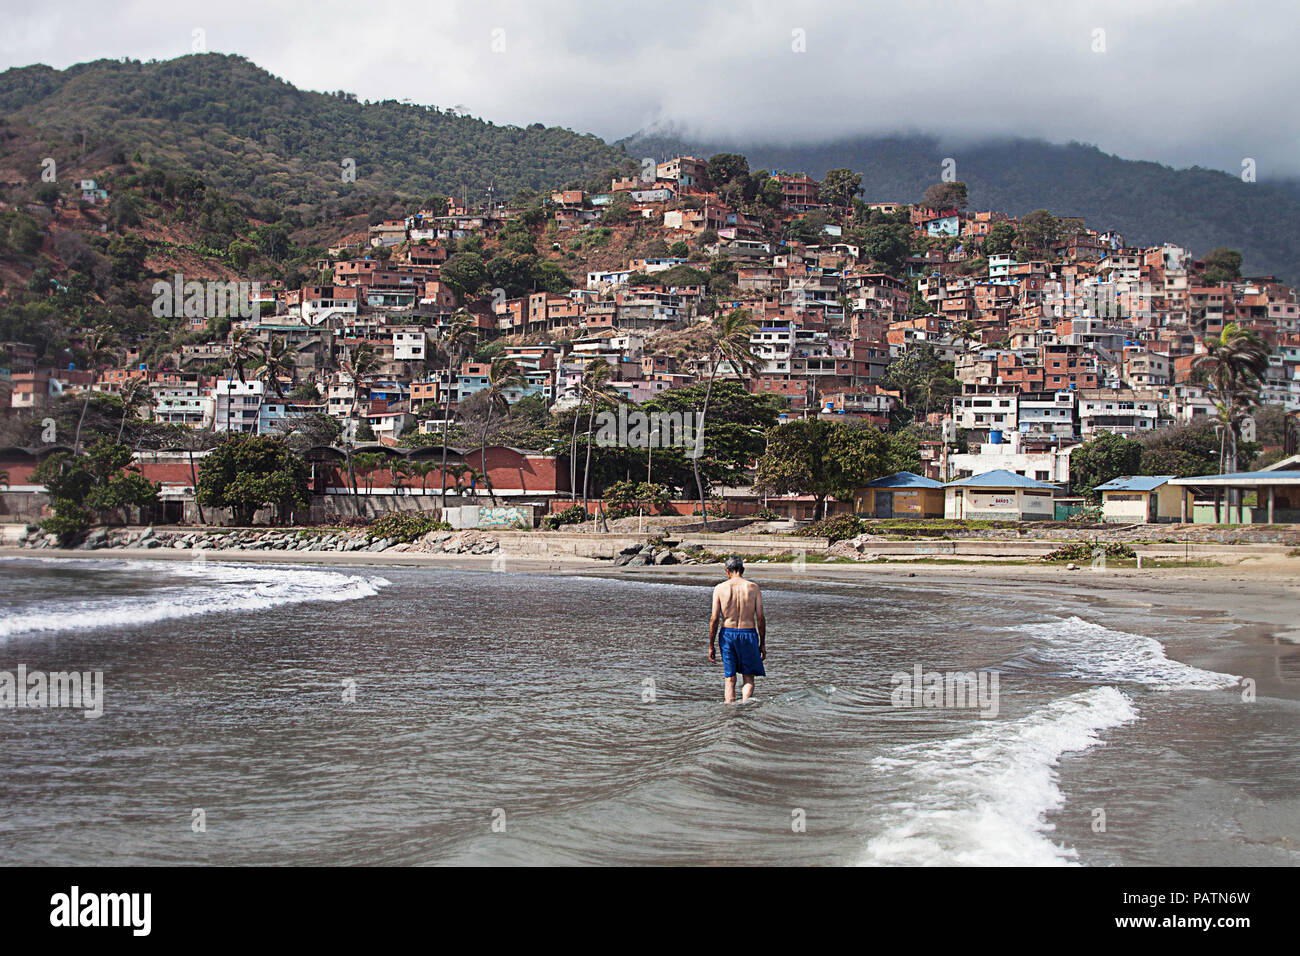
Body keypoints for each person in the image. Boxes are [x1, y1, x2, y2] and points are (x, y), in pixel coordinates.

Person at [708, 555, 766, 703]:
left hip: (727, 634)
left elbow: (714, 619)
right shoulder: (753, 588)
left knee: (730, 677)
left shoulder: (720, 588)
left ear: (727, 571)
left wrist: (711, 645)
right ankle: (745, 704)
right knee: (748, 677)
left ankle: (730, 711)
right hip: (749, 633)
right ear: (743, 570)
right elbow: (760, 618)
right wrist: (762, 643)